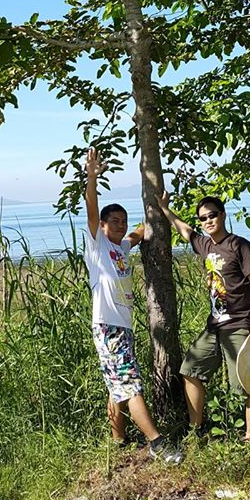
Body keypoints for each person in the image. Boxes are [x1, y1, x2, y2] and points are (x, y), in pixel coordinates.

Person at [85, 148, 182, 463]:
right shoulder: (97, 246)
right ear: (101, 226)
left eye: (122, 221)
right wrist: (91, 177)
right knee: (129, 382)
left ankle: (119, 442)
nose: (119, 225)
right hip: (108, 325)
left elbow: (139, 232)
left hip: (122, 327)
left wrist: (156, 208)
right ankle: (156, 442)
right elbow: (91, 206)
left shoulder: (122, 246)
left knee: (117, 385)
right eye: (114, 221)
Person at [157, 190, 250, 442]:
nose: (208, 221)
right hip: (214, 325)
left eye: (212, 215)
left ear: (223, 215)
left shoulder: (239, 245)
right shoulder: (205, 244)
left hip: (239, 324)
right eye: (203, 218)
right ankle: (196, 430)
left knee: (248, 381)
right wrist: (165, 209)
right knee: (190, 370)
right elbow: (185, 230)